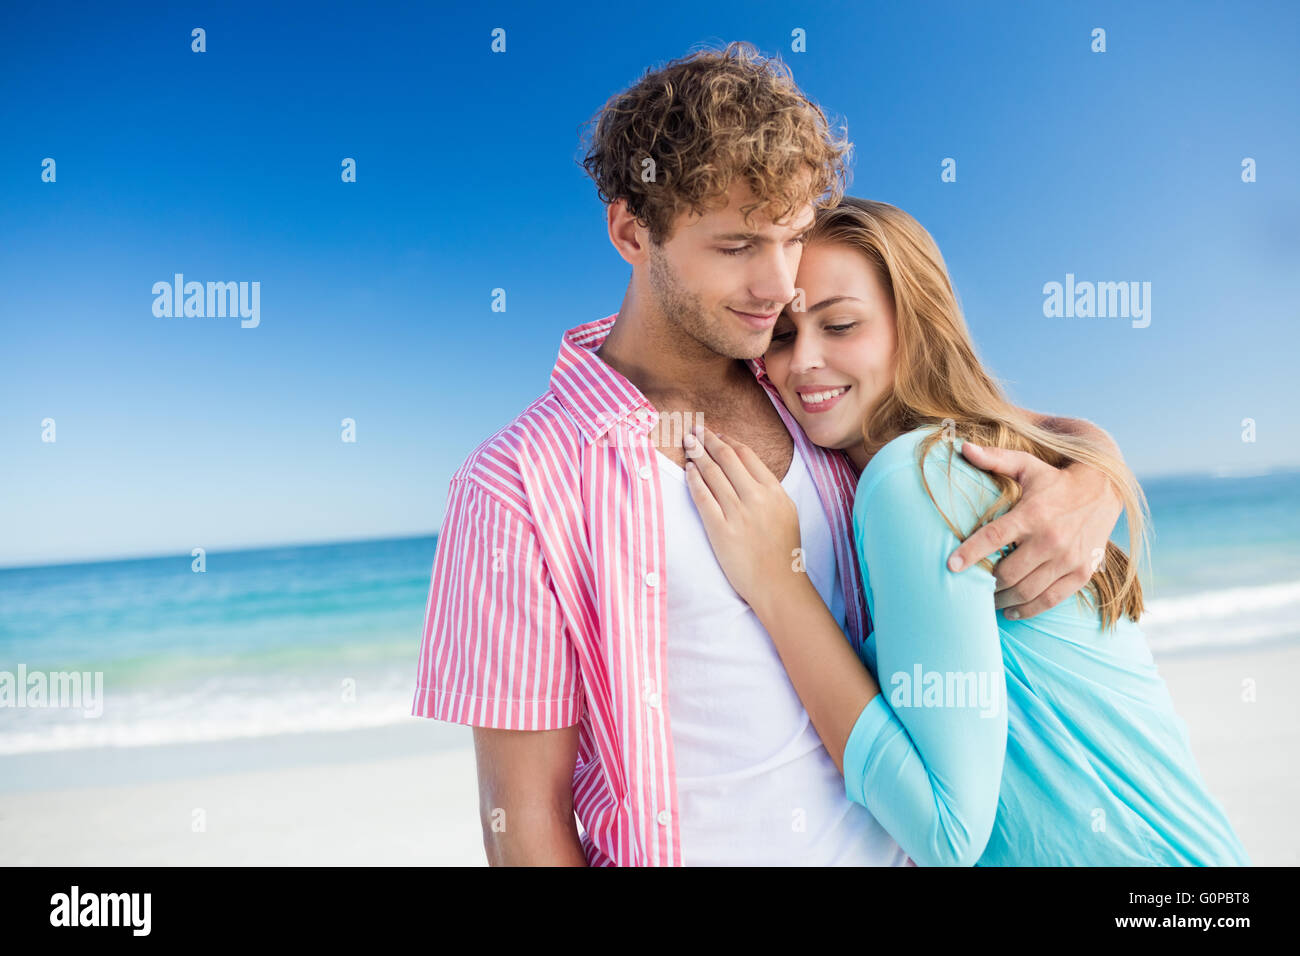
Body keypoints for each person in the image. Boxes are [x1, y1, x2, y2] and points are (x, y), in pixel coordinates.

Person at [412, 42, 1126, 866]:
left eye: (790, 239)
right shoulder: (515, 486)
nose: (777, 284)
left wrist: (1097, 479)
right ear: (630, 230)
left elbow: (1010, 426)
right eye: (736, 247)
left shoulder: (811, 390)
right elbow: (525, 827)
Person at [681, 196, 1251, 865]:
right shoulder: (969, 461)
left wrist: (778, 584)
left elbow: (946, 835)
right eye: (782, 335)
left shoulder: (912, 479)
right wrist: (1100, 462)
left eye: (840, 325)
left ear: (912, 329)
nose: (803, 360)